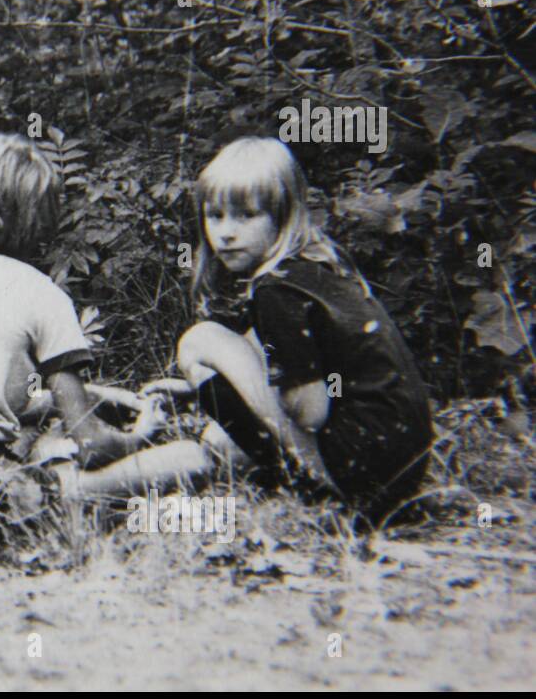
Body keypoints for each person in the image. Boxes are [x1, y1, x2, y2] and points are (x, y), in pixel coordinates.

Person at [0, 133, 205, 532]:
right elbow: (92, 445)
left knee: (37, 434)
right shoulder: (43, 293)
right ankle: (69, 499)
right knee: (190, 457)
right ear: (46, 218)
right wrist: (141, 436)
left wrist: (97, 395)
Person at [143, 136, 433, 525]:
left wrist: (242, 397)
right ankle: (321, 474)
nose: (226, 233)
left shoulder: (276, 290)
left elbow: (311, 413)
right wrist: (208, 389)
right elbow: (283, 352)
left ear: (283, 215)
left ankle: (317, 479)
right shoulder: (317, 263)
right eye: (215, 216)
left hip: (357, 476)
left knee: (199, 340)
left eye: (246, 215)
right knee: (221, 422)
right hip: (402, 466)